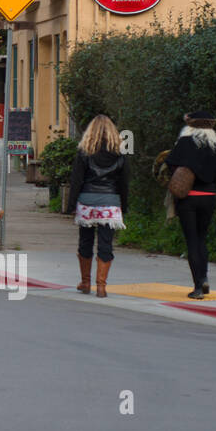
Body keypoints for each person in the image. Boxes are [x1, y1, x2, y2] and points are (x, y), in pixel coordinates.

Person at [65, 115, 129, 297]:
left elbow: (76, 180)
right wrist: (123, 206)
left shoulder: (84, 151)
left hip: (87, 202)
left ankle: (85, 282)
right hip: (110, 202)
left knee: (85, 241)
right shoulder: (119, 154)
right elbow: (124, 183)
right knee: (106, 243)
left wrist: (71, 205)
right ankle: (101, 286)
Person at [166, 110, 216, 299]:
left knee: (191, 241)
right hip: (209, 196)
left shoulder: (184, 142)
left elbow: (169, 164)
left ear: (190, 125)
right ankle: (205, 277)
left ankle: (198, 286)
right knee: (202, 238)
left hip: (188, 198)